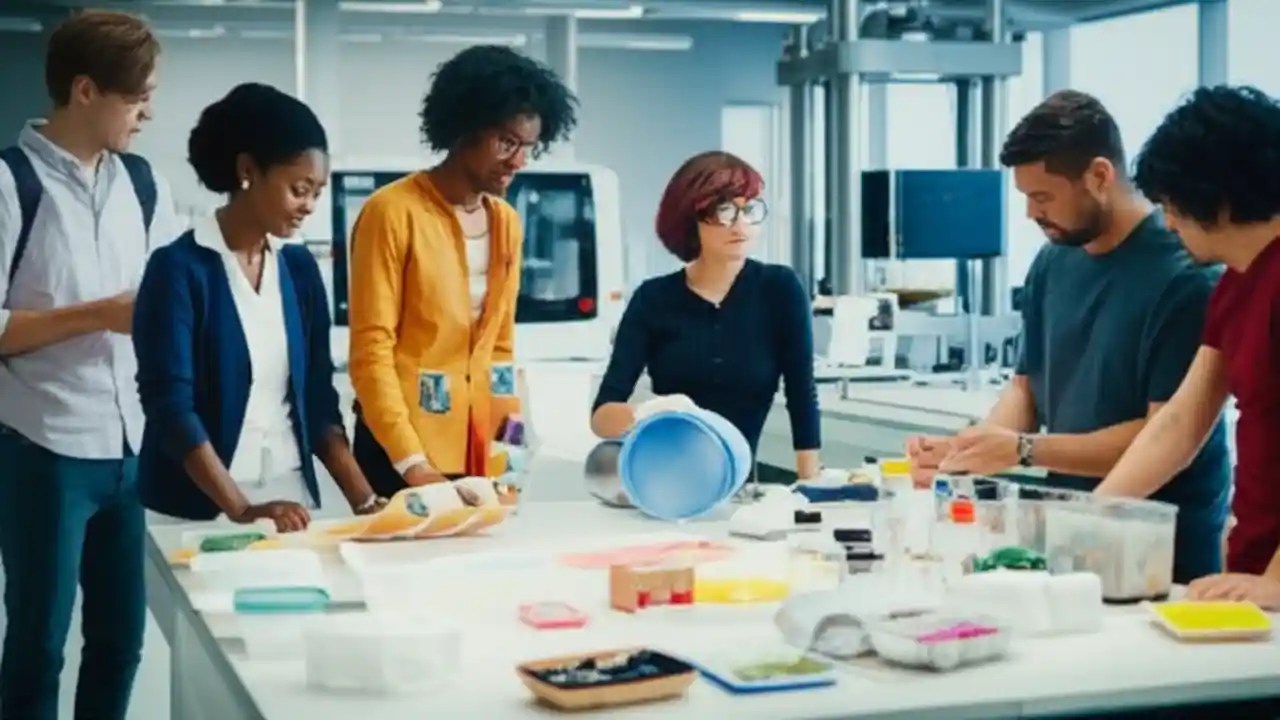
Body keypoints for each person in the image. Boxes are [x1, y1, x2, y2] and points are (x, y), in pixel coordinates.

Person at [908, 90, 1230, 583]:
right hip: (1069, 525)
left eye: (1042, 197)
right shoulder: (1054, 259)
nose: (1031, 215)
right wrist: (972, 450)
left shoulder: (1186, 274)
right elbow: (1026, 388)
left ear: (1099, 176)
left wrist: (1021, 450)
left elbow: (1167, 432)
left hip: (1158, 547)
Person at [0, 11, 180, 720]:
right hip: (43, 449)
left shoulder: (143, 183)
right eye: (137, 98)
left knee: (122, 641)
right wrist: (99, 315)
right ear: (83, 91)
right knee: (40, 644)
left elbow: (163, 294)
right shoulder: (10, 185)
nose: (148, 113)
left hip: (131, 450)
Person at [133, 83, 381, 532]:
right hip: (203, 504)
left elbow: (319, 402)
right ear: (248, 170)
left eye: (316, 193)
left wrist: (367, 503)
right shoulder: (178, 269)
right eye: (298, 189)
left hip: (291, 499)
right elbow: (170, 407)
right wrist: (241, 508)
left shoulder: (300, 267)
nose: (308, 206)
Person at [348, 45, 576, 497]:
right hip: (399, 450)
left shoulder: (505, 222)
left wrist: (509, 458)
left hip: (476, 452)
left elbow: (500, 351)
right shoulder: (391, 211)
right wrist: (414, 466)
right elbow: (372, 351)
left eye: (528, 148)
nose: (518, 161)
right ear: (463, 129)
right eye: (506, 143)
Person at [1094, 86, 1280, 610]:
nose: (1168, 223)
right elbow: (1179, 423)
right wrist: (1090, 517)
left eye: (1172, 206)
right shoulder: (1234, 286)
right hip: (1253, 570)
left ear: (1216, 197)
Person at [590, 151, 822, 482]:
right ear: (690, 219)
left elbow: (802, 393)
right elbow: (601, 416)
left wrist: (810, 484)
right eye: (724, 210)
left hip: (737, 488)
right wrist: (649, 413)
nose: (740, 224)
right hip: (661, 486)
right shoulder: (653, 299)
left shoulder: (779, 288)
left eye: (749, 208)